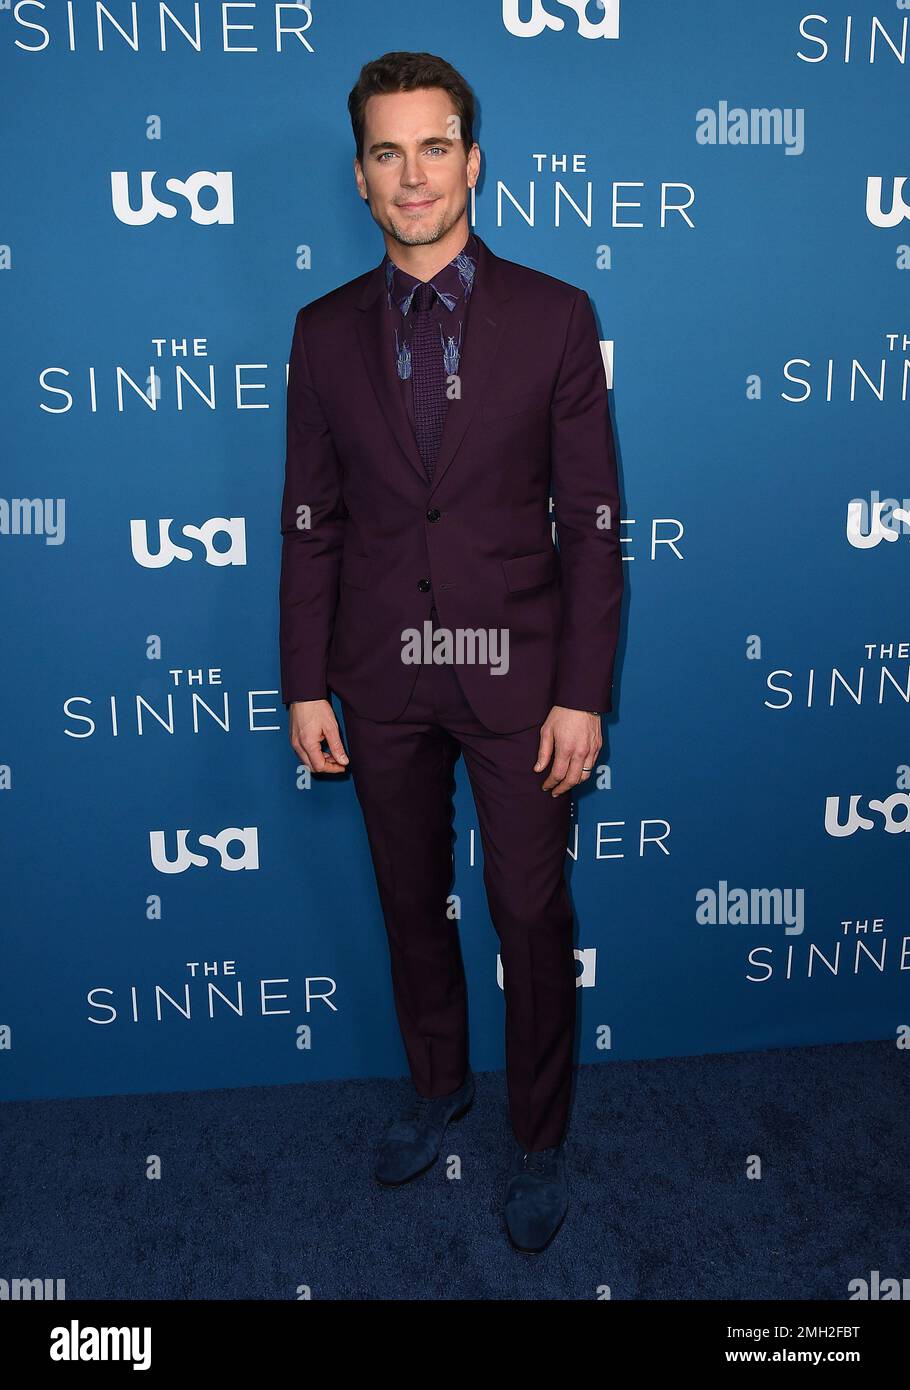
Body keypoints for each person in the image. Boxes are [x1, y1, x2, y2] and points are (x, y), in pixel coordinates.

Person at [278, 50, 623, 1253]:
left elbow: (591, 526)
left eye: (435, 147)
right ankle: (438, 1090)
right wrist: (303, 681)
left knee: (528, 915)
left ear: (472, 162)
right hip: (377, 678)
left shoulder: (554, 316)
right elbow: (309, 519)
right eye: (387, 151)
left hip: (519, 676)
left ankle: (537, 1136)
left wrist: (584, 694)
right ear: (361, 179)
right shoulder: (321, 333)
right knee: (408, 905)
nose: (412, 174)